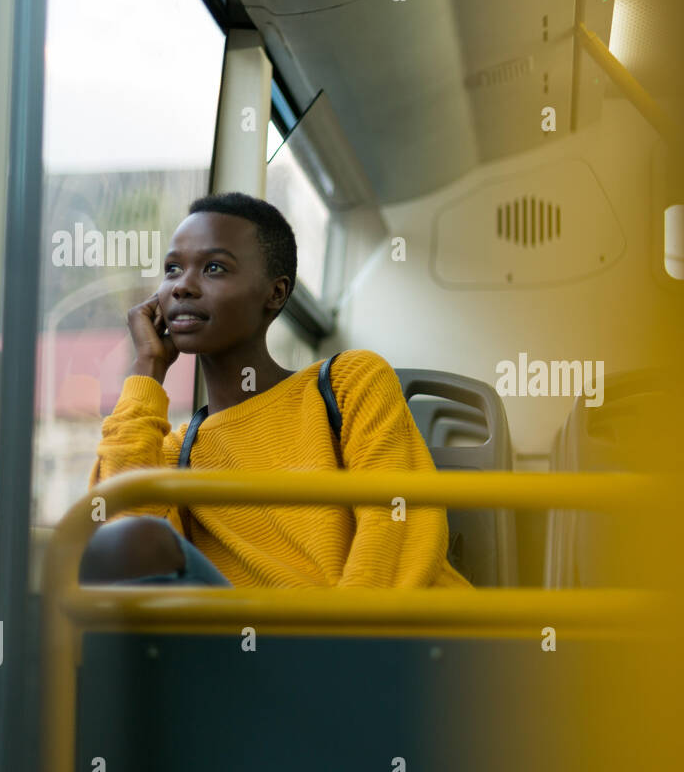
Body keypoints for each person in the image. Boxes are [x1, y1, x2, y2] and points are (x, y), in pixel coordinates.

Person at [79, 192, 472, 589]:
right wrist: (148, 367)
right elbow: (121, 551)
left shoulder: (348, 383)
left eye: (214, 268)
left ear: (276, 293)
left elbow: (396, 521)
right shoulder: (174, 453)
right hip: (257, 646)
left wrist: (346, 642)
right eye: (172, 269)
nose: (182, 286)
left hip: (385, 638)